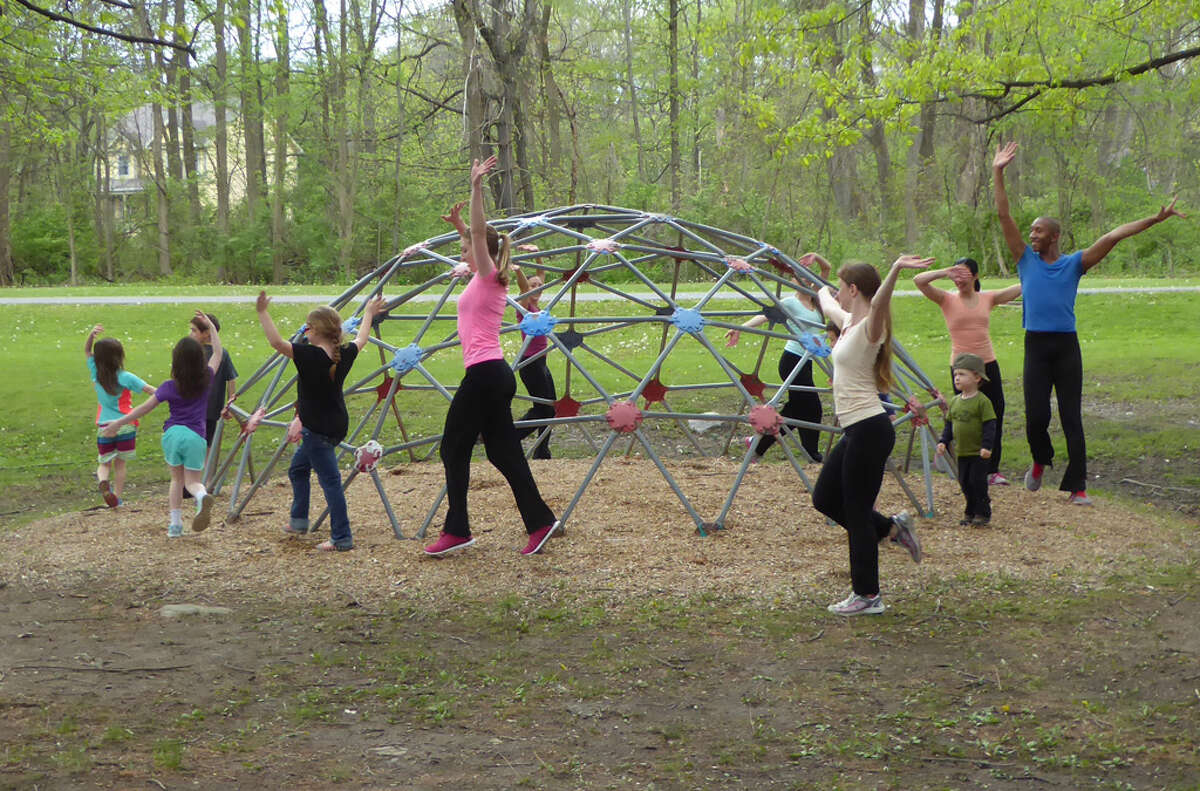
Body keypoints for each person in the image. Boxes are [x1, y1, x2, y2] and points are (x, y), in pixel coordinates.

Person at [993, 141, 1186, 505]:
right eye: (1030, 230)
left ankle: (1077, 486)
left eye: (1038, 231)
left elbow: (1114, 235)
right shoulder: (1025, 261)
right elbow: (1004, 216)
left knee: (1071, 417)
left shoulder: (1075, 263)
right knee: (1035, 416)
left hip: (1066, 347)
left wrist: (1155, 220)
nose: (1031, 234)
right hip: (1035, 345)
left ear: (1054, 236)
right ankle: (1040, 460)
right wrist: (998, 172)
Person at [424, 156, 560, 557]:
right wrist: (460, 227)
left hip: (484, 375)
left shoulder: (486, 276)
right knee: (503, 452)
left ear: (481, 251)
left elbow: (483, 235)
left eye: (466, 247)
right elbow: (481, 239)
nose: (463, 251)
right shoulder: (488, 276)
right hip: (493, 374)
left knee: (453, 448)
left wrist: (477, 186)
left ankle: (458, 529)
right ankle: (541, 522)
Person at [813, 255, 930, 616]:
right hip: (856, 430)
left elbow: (878, 302)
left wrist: (894, 270)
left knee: (856, 511)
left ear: (854, 289)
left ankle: (868, 596)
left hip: (869, 429)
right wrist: (817, 277)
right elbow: (825, 300)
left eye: (841, 287)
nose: (837, 293)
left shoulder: (871, 329)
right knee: (824, 498)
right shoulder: (849, 322)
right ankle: (892, 529)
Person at [256, 291, 383, 552]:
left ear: (317, 330)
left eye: (308, 326)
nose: (305, 330)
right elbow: (361, 338)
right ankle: (299, 520)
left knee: (330, 482)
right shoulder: (342, 353)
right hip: (335, 424)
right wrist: (368, 313)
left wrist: (262, 312)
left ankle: (342, 537)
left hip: (318, 430)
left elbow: (277, 343)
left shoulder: (310, 356)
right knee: (298, 469)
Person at [101, 312, 223, 537]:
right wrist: (211, 328)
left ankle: (175, 526)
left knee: (176, 480)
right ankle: (201, 496)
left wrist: (118, 423)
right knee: (193, 482)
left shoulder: (169, 386)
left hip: (173, 435)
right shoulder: (206, 378)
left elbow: (143, 408)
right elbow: (218, 353)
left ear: (176, 361)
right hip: (196, 436)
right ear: (199, 359)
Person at [913, 259, 1021, 486]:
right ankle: (962, 464)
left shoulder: (987, 298)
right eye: (956, 275)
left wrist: (1037, 272)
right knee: (964, 417)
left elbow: (1019, 288)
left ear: (976, 276)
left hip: (987, 364)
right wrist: (945, 271)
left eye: (965, 274)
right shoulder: (947, 299)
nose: (960, 279)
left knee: (993, 414)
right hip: (961, 367)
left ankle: (993, 470)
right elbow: (919, 281)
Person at [725, 253, 829, 462]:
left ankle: (758, 445)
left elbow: (826, 270)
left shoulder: (817, 298)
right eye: (798, 277)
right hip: (792, 360)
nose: (803, 281)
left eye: (806, 277)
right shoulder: (790, 302)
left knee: (798, 408)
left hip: (806, 362)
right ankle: (811, 452)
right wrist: (740, 328)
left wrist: (816, 257)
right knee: (811, 407)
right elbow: (765, 316)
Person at [85, 324, 156, 508]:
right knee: (120, 464)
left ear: (98, 358)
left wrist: (91, 337)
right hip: (125, 424)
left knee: (104, 462)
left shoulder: (96, 373)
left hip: (104, 426)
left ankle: (103, 480)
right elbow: (150, 390)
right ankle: (117, 496)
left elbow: (87, 352)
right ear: (119, 357)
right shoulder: (126, 377)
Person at [936, 353, 998, 527]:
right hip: (962, 452)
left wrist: (987, 446)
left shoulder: (982, 402)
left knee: (977, 481)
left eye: (962, 374)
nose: (957, 378)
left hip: (978, 452)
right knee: (964, 482)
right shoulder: (955, 402)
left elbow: (990, 425)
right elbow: (949, 424)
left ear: (977, 377)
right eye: (955, 374)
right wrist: (943, 441)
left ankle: (983, 511)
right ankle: (970, 509)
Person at [512, 245, 556, 460]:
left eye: (539, 285)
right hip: (529, 364)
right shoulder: (524, 306)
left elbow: (541, 275)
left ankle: (542, 450)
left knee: (551, 407)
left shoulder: (537, 306)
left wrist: (538, 253)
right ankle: (508, 437)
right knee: (542, 408)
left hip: (541, 362)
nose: (537, 287)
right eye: (533, 285)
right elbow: (523, 288)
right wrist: (519, 272)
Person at [188, 313, 238, 446]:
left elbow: (231, 379)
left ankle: (206, 466)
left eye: (194, 330)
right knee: (202, 445)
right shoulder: (192, 351)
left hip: (208, 409)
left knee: (205, 445)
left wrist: (229, 405)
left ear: (207, 333)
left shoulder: (196, 352)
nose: (190, 334)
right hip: (197, 408)